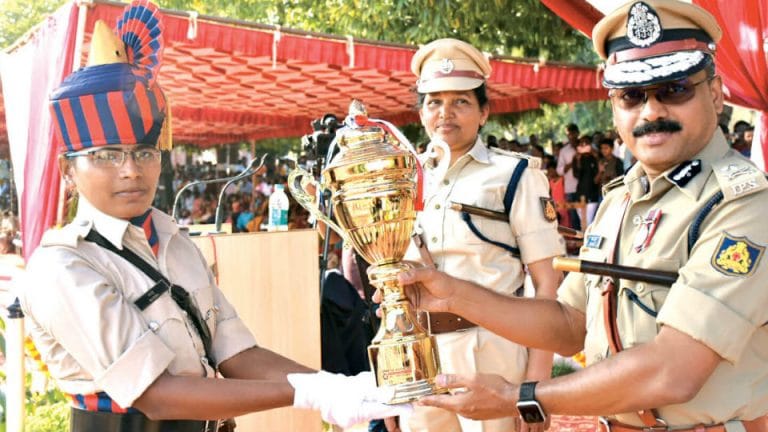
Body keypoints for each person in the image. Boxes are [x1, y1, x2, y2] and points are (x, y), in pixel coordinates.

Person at [18, 3, 409, 431]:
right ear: (67, 171)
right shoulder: (64, 266)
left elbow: (237, 354)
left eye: (144, 153)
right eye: (107, 156)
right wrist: (313, 393)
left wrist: (343, 387)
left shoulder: (173, 241)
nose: (131, 169)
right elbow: (158, 395)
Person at [394, 1, 768, 431]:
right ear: (613, 106)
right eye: (631, 95)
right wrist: (451, 293)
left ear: (716, 93)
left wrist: (520, 398)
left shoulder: (743, 202)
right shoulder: (622, 200)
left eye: (674, 89)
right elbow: (570, 325)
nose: (650, 112)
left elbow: (674, 370)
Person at [402, 38, 565, 432]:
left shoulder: (515, 176)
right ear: (422, 112)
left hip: (493, 353)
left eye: (460, 101)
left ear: (484, 112)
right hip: (423, 356)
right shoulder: (404, 179)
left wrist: (534, 386)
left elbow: (547, 284)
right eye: (434, 101)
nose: (446, 113)